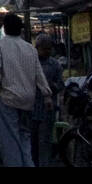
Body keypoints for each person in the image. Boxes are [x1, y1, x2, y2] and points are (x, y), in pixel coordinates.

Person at [0, 14, 51, 168]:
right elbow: (38, 74)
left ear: (5, 29)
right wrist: (47, 95)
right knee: (25, 137)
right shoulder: (30, 48)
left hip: (7, 98)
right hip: (28, 99)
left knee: (10, 139)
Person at [31, 34, 63, 167]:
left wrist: (51, 86)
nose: (47, 52)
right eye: (44, 49)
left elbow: (61, 84)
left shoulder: (55, 64)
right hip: (31, 108)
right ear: (37, 48)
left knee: (45, 141)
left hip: (47, 109)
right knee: (32, 141)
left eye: (49, 49)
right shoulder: (30, 63)